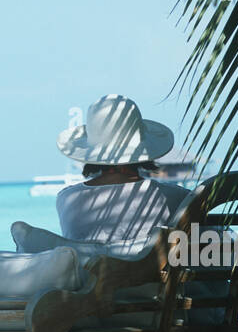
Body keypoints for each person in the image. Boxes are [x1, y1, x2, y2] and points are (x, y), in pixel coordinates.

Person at [55, 94, 189, 250]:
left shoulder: (67, 199)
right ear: (143, 148)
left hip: (87, 274)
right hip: (152, 274)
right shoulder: (177, 197)